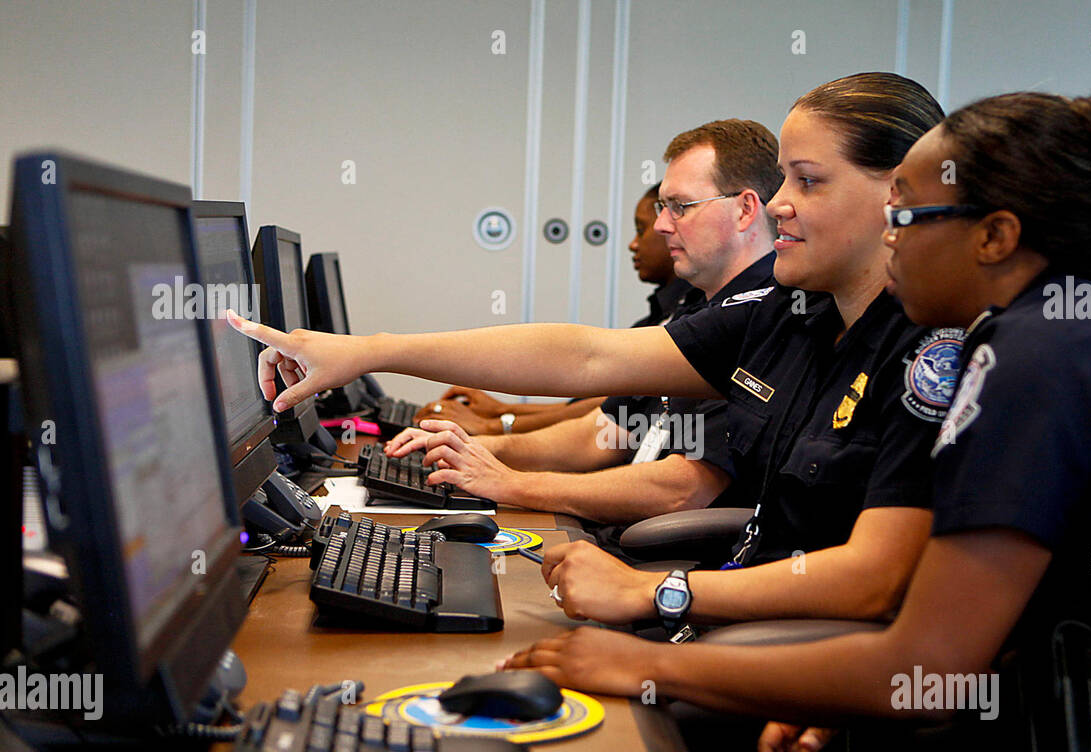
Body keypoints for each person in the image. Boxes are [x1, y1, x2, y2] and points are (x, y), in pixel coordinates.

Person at [502, 67, 1091, 752]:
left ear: (995, 236)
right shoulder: (1044, 337)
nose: (891, 237)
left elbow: (925, 661)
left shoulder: (1042, 359)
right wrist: (820, 694)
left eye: (909, 215)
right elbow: (987, 629)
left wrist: (648, 662)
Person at [230, 73, 956, 626]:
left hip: (762, 639)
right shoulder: (786, 313)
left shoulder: (927, 351)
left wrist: (647, 590)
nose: (777, 205)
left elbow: (865, 578)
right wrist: (371, 350)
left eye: (808, 181)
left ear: (897, 194)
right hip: (722, 608)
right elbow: (588, 360)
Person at [385, 123, 784, 529]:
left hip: (667, 560)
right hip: (624, 538)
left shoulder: (762, 317)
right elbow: (604, 434)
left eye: (680, 206)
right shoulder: (700, 308)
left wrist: (510, 483)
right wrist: (482, 449)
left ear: (745, 209)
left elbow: (684, 487)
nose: (663, 224)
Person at [413, 183, 686, 434]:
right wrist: (501, 413)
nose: (632, 244)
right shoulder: (659, 315)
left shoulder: (687, 321)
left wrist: (496, 425)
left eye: (640, 229)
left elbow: (600, 413)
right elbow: (592, 407)